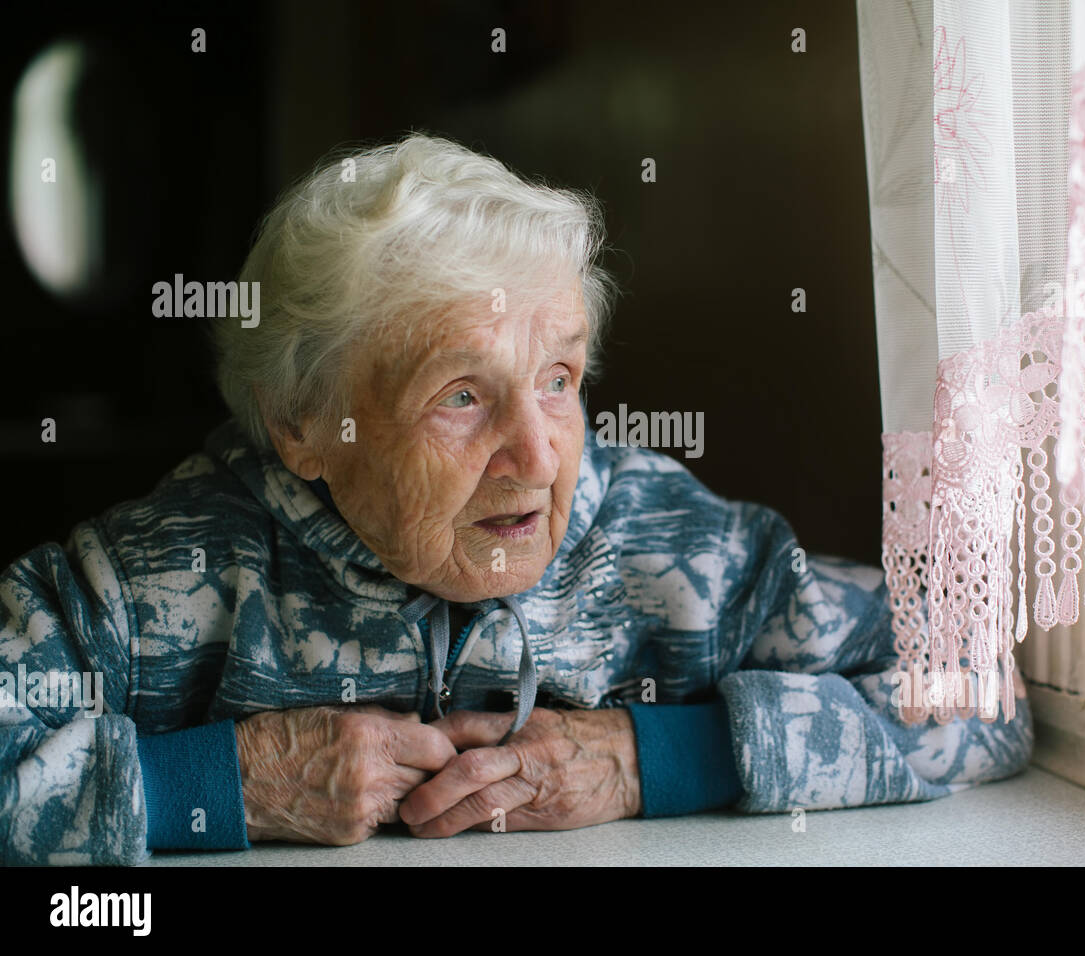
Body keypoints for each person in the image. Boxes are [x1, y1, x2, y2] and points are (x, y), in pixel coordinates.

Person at [0, 133, 1032, 865]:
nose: (538, 456)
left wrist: (657, 760)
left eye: (558, 378)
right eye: (461, 395)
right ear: (300, 423)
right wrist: (230, 781)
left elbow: (974, 687)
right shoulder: (159, 573)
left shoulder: (660, 542)